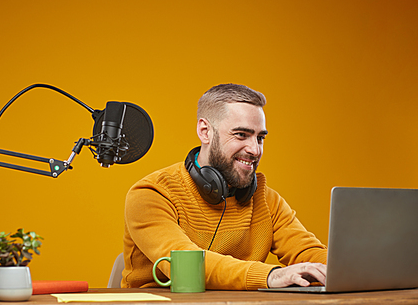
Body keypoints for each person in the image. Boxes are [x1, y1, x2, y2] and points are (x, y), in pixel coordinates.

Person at [122, 83, 327, 290]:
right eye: (241, 135)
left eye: (260, 138)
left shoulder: (265, 199)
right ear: (205, 131)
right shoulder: (150, 194)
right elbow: (185, 265)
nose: (255, 150)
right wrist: (272, 276)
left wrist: (347, 266)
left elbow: (309, 252)